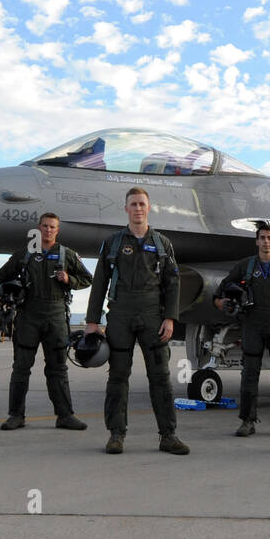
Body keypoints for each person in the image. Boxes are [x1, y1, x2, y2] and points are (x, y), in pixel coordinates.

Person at [84, 187, 189, 456]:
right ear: (126, 209)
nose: (138, 208)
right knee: (118, 377)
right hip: (120, 314)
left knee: (161, 377)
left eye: (142, 204)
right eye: (133, 204)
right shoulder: (114, 243)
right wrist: (93, 321)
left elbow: (173, 282)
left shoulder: (163, 244)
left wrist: (170, 318)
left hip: (153, 315)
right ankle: (116, 435)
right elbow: (100, 283)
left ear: (149, 208)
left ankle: (168, 435)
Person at [0, 213, 93, 431]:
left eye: (52, 227)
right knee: (21, 368)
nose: (48, 230)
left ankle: (65, 416)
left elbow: (87, 279)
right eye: (45, 226)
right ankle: (16, 415)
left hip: (56, 315)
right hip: (29, 315)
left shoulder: (67, 255)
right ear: (39, 228)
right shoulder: (25, 254)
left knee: (58, 369)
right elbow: (0, 276)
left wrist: (69, 279)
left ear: (57, 230)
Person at [214, 221, 270, 437]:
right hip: (253, 326)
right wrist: (222, 303)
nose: (266, 242)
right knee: (249, 376)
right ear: (257, 241)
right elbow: (221, 289)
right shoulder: (246, 266)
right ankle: (247, 421)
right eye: (262, 238)